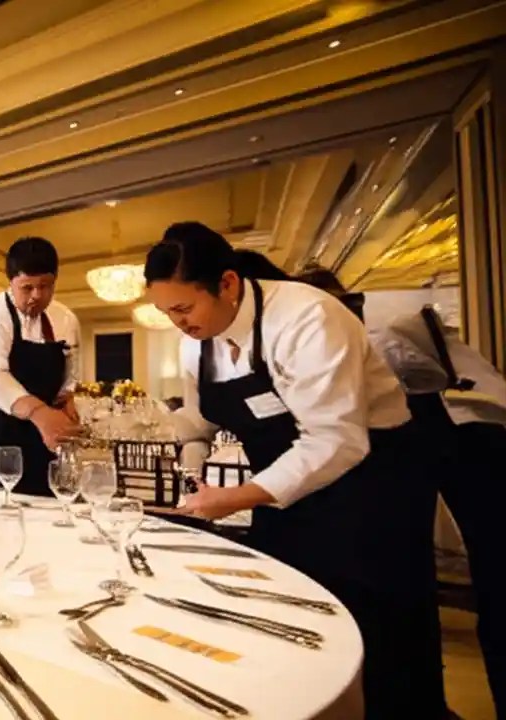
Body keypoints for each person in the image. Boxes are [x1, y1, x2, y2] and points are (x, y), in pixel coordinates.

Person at [146, 221, 444, 718]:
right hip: (284, 492)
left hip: (371, 485)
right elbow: (199, 419)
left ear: (227, 283)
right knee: (296, 613)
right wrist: (177, 457)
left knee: (379, 626)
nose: (177, 321)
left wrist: (238, 496)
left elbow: (337, 440)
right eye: (166, 312)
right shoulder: (196, 341)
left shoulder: (308, 317)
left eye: (183, 307)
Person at [300, 268, 505, 714]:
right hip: (460, 436)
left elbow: (409, 388)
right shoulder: (378, 325)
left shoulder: (376, 330)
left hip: (467, 438)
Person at [0, 236, 81, 496]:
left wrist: (67, 399)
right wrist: (40, 413)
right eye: (27, 287)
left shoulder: (65, 319)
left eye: (46, 286)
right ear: (11, 282)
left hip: (39, 437)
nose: (37, 295)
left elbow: (70, 372)